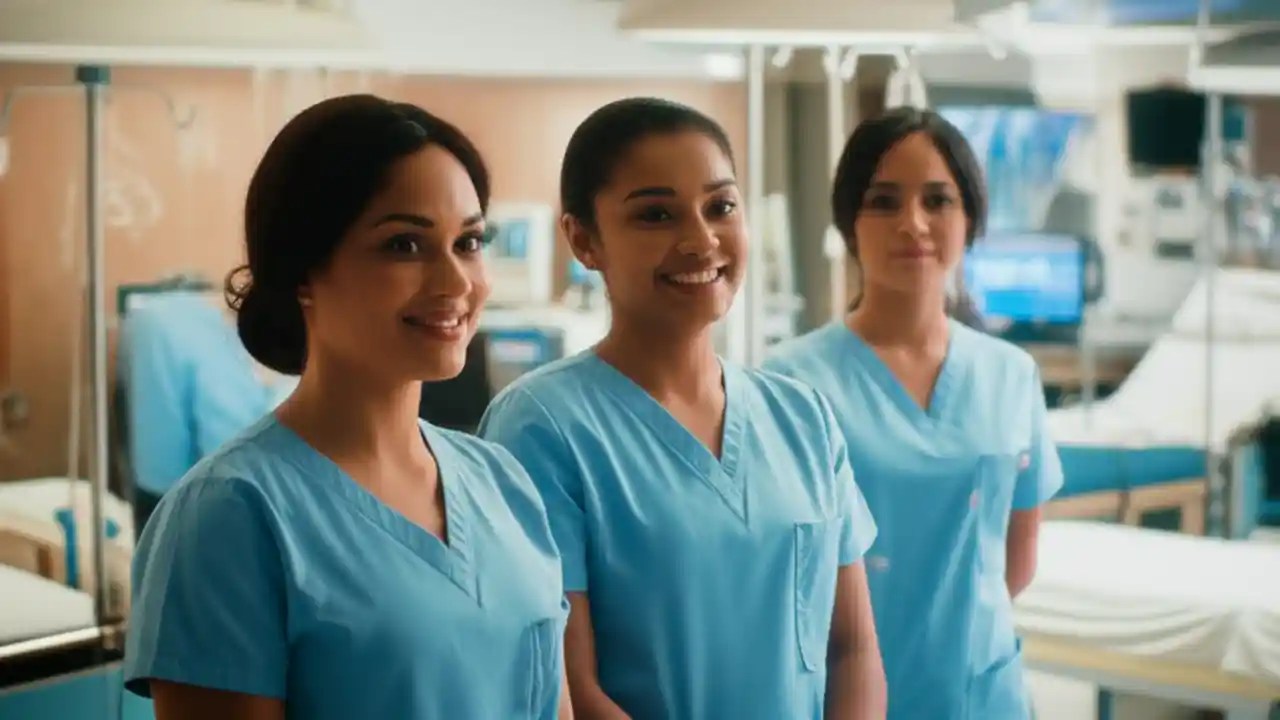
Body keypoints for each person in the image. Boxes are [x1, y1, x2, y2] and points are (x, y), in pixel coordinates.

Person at [122, 94, 571, 720]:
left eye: (469, 242)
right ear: (302, 270)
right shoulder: (230, 515)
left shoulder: (503, 486)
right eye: (405, 246)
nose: (455, 282)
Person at [479, 97, 885, 720]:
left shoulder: (802, 420)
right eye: (656, 215)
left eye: (720, 206)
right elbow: (568, 690)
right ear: (584, 239)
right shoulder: (541, 427)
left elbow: (851, 650)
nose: (700, 240)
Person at [765, 107, 1064, 719]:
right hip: (846, 693)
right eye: (883, 201)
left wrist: (959, 639)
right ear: (848, 220)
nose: (913, 223)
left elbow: (1019, 557)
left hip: (982, 690)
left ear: (971, 217)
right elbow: (776, 576)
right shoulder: (790, 382)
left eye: (938, 200)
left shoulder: (1010, 374)